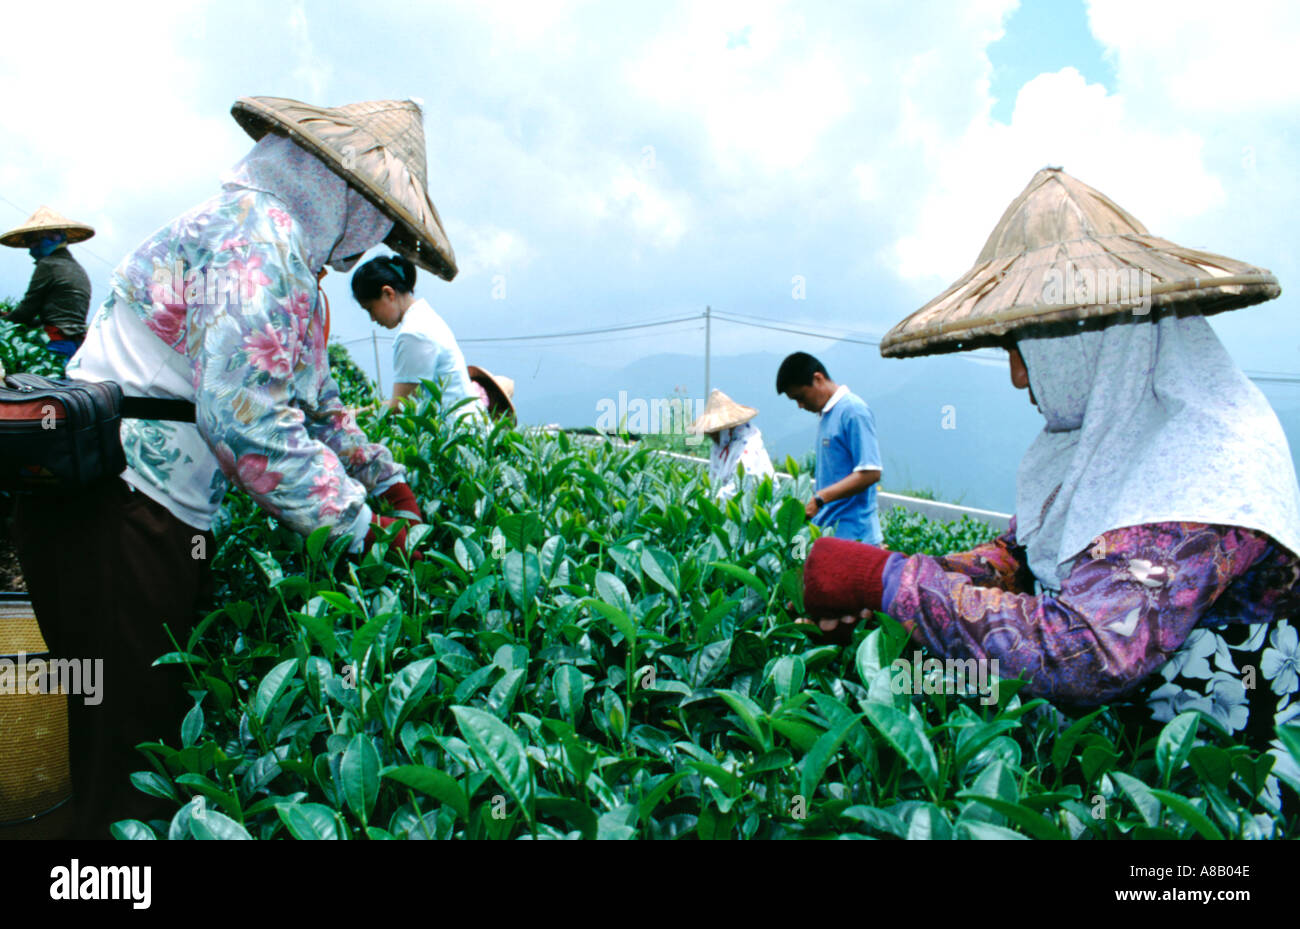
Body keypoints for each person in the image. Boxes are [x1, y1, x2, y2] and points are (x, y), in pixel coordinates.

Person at [9, 95, 458, 838]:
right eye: (379, 215)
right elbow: (244, 420)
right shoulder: (257, 244)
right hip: (117, 512)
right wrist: (362, 528)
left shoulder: (287, 259)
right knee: (129, 762)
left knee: (124, 734)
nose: (377, 237)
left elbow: (316, 404)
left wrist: (383, 476)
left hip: (135, 513)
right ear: (343, 192)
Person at [801, 168, 1300, 770]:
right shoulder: (1097, 444)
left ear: (1087, 338)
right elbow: (1020, 557)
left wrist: (890, 582)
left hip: (1217, 801)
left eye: (1023, 347)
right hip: (1114, 777)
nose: (1017, 375)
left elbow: (1086, 651)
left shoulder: (1208, 469)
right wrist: (904, 584)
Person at [352, 254, 478, 418]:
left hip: (456, 433)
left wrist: (351, 415)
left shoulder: (413, 334)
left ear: (388, 293)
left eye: (370, 309)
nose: (373, 318)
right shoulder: (425, 318)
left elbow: (401, 405)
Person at [776, 351, 883, 544]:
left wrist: (820, 498)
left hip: (855, 537)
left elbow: (871, 472)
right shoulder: (826, 415)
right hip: (830, 532)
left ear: (818, 378)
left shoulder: (853, 411)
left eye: (801, 397)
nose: (800, 405)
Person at [0, 206, 95, 357]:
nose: (32, 246)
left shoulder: (49, 265)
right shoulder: (75, 267)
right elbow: (58, 314)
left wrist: (4, 321)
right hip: (75, 344)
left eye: (34, 239)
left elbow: (26, 311)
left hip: (56, 343)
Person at [687, 388, 775, 500]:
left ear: (726, 429)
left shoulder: (748, 448)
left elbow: (740, 488)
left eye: (713, 431)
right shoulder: (720, 448)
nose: (711, 436)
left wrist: (705, 501)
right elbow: (714, 482)